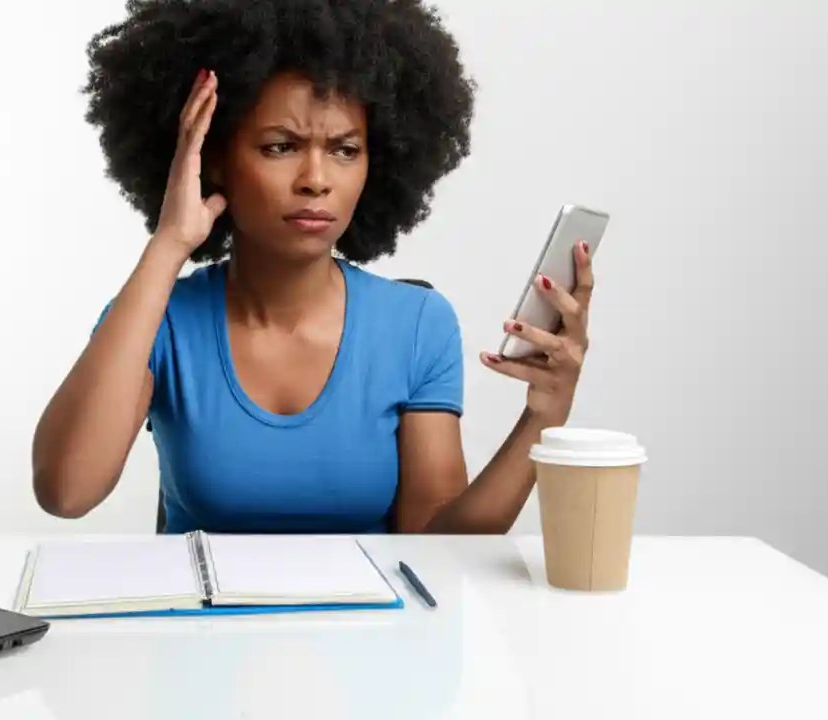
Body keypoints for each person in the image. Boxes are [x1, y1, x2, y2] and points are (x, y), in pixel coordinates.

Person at [32, 0, 596, 534]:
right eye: (280, 146)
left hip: (369, 634)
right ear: (216, 160)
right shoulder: (159, 320)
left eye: (345, 150)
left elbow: (438, 543)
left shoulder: (415, 324)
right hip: (198, 630)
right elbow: (66, 492)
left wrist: (542, 419)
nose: (316, 179)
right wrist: (168, 244)